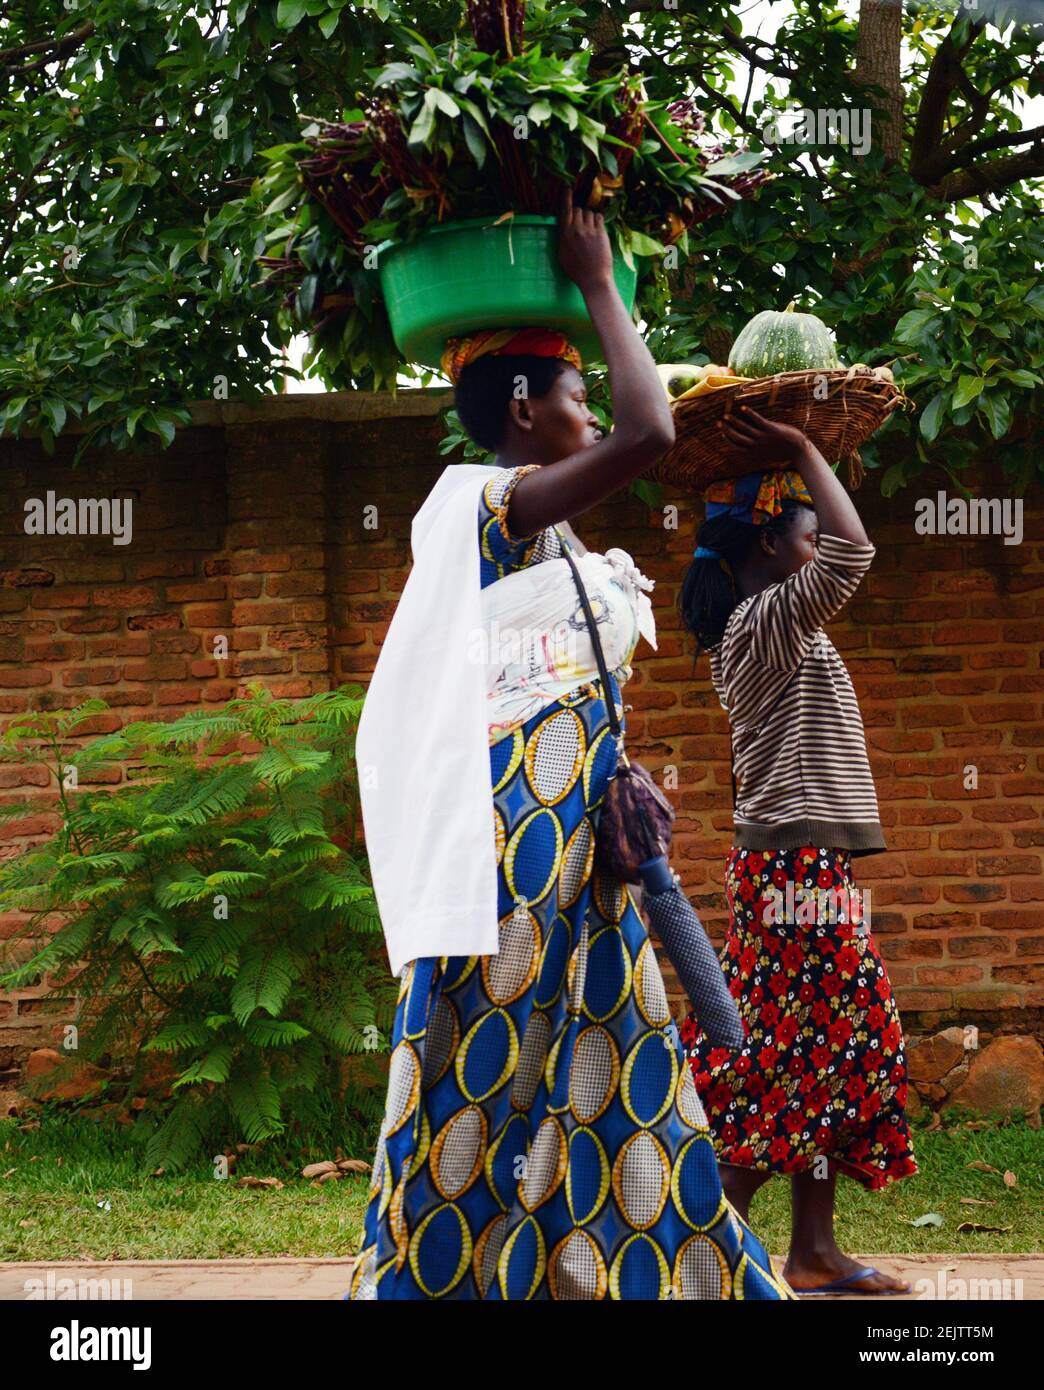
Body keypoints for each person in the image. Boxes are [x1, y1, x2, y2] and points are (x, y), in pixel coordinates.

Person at [348, 193, 791, 1300]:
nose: (595, 410)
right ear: (520, 405)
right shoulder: (488, 506)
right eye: (576, 389)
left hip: (584, 857)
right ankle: (420, 1279)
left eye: (591, 387)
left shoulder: (550, 532)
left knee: (622, 1066)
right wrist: (598, 284)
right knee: (480, 1073)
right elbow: (653, 431)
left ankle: (656, 1274)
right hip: (510, 862)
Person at [678, 406, 918, 1297]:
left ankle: (809, 1253)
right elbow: (858, 552)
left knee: (811, 1041)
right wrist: (808, 449)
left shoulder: (770, 623)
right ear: (773, 544)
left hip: (801, 863)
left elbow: (838, 549)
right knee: (841, 1037)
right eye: (806, 532)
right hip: (794, 869)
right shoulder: (763, 623)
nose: (820, 547)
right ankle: (713, 1231)